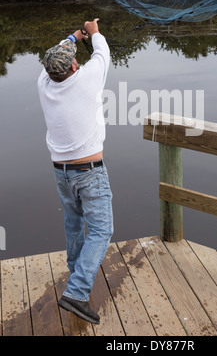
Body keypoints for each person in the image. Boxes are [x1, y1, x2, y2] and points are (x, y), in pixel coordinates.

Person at [37, 18, 113, 325]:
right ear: (71, 67)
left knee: (73, 224)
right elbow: (103, 53)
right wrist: (92, 32)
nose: (77, 63)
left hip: (61, 172)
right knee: (102, 230)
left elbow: (60, 53)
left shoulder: (42, 83)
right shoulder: (87, 78)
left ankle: (76, 276)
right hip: (90, 172)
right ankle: (77, 292)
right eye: (74, 61)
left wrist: (73, 36)